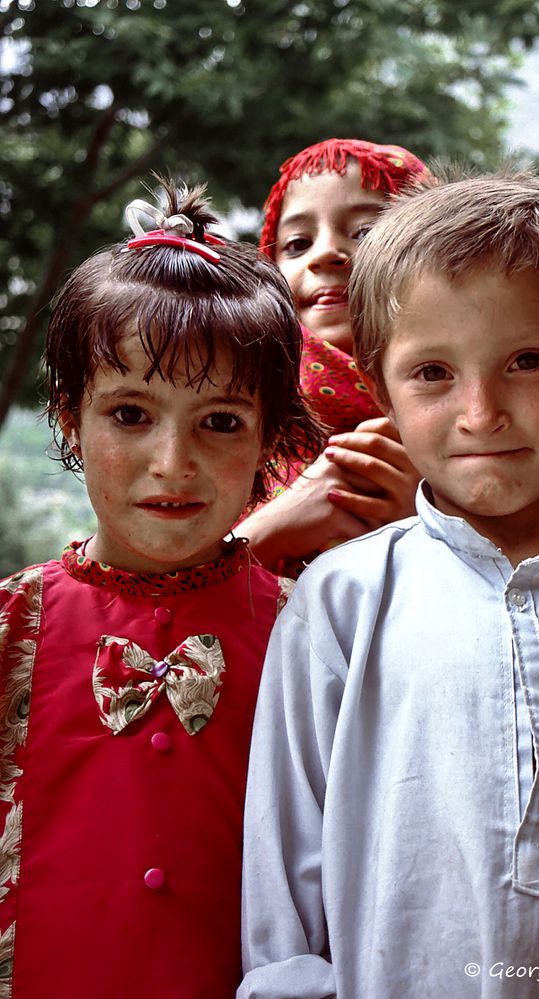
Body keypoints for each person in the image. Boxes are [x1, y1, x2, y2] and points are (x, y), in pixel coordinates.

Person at [238, 170, 539, 998]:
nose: (480, 413)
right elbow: (284, 900)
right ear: (379, 383)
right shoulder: (340, 602)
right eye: (432, 372)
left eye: (527, 361)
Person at [0, 179, 321, 998]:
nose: (172, 463)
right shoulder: (10, 629)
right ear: (70, 417)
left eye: (220, 421)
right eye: (131, 414)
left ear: (272, 440)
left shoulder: (314, 642)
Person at [240, 138, 539, 576]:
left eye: (364, 232)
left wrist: (436, 522)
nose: (325, 253)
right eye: (297, 243)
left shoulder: (535, 454)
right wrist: (268, 531)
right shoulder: (228, 412)